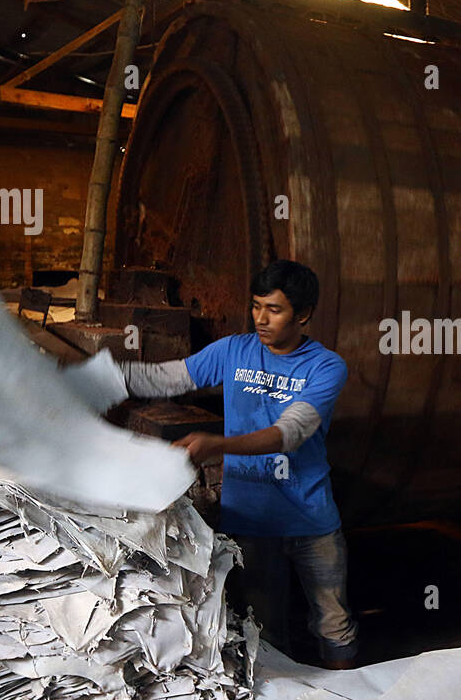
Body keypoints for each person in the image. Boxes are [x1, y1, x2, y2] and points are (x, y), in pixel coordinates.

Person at [117, 260, 359, 668]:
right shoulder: (234, 350)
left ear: (303, 315)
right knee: (264, 629)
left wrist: (217, 445)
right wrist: (99, 376)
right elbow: (169, 378)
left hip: (311, 522)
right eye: (256, 306)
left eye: (274, 310)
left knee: (333, 624)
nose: (261, 319)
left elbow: (291, 432)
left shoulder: (326, 366)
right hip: (249, 523)